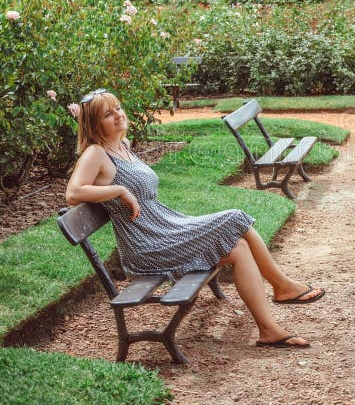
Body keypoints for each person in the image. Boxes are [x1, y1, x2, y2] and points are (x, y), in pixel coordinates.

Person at [65, 89, 324, 349]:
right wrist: (120, 190)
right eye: (107, 114)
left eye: (118, 108)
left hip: (165, 229)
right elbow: (73, 193)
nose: (118, 115)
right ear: (93, 123)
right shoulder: (96, 154)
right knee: (234, 218)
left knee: (239, 247)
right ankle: (282, 286)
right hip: (147, 245)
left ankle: (269, 327)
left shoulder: (123, 145)